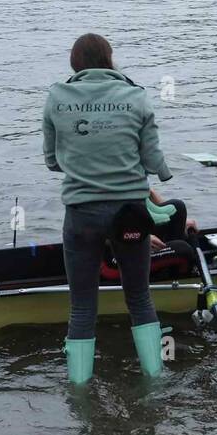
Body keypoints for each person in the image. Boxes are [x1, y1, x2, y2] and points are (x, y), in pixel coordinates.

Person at [43, 33, 173, 384]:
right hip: (128, 213)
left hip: (81, 213)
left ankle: (80, 390)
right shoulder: (137, 96)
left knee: (82, 306)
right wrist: (162, 173)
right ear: (110, 59)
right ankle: (155, 379)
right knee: (140, 298)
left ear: (75, 63)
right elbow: (152, 159)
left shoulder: (56, 97)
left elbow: (52, 161)